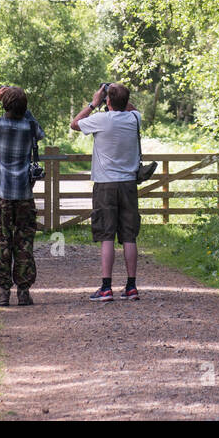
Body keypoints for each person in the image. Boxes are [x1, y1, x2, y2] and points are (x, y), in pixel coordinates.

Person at [0, 86, 44, 307]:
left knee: (0, 241)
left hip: (0, 194)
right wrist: (25, 108)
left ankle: (3, 293)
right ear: (24, 107)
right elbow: (39, 132)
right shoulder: (28, 127)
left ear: (5, 105)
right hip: (24, 194)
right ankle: (23, 292)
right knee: (24, 242)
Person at [70, 83, 141, 301]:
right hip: (128, 184)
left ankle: (106, 287)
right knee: (129, 236)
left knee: (107, 235)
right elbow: (130, 107)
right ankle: (131, 287)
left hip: (105, 185)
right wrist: (116, 96)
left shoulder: (100, 119)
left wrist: (94, 102)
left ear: (107, 101)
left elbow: (75, 124)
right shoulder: (135, 118)